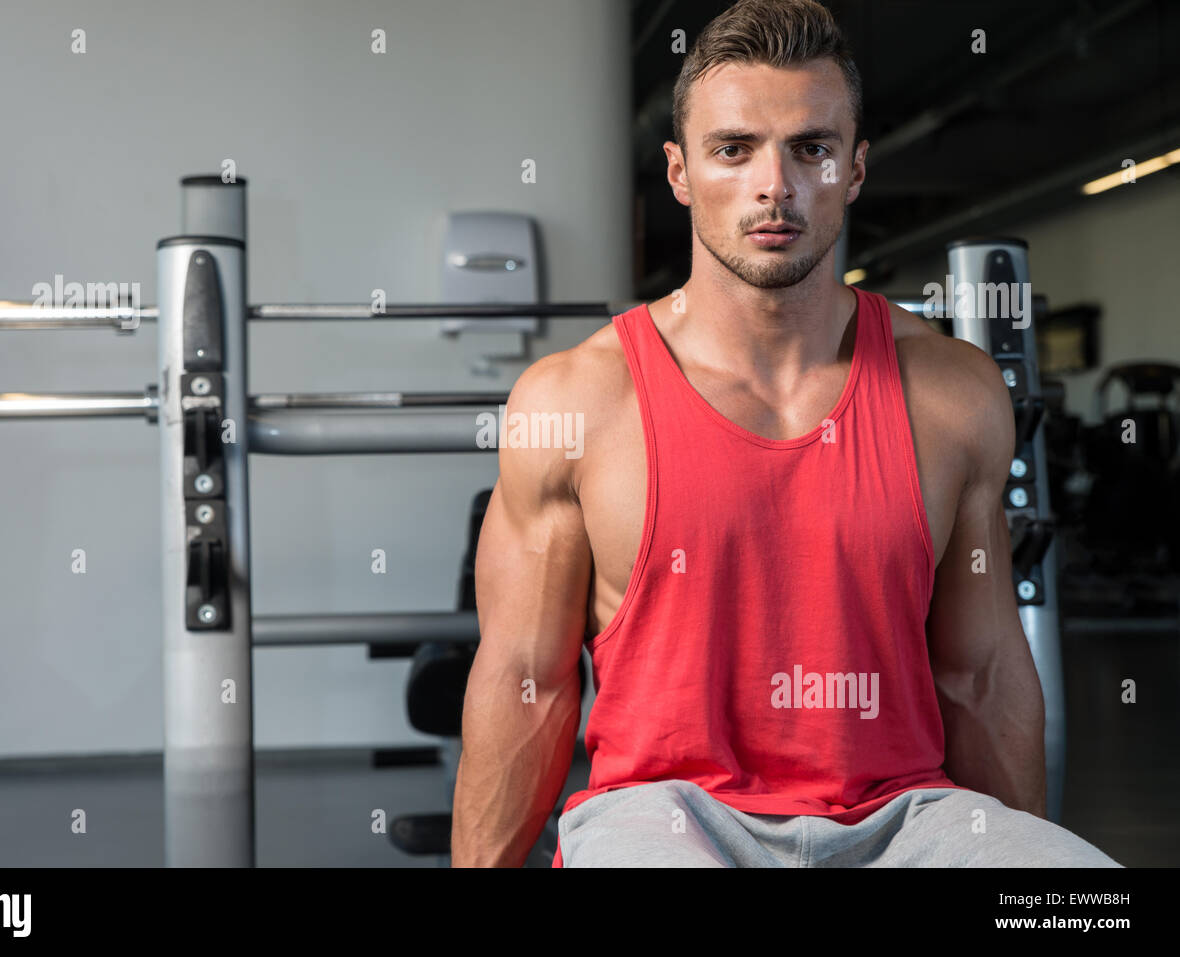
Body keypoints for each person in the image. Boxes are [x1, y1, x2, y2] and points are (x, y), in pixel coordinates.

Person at [449, 0, 1121, 868]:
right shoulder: (576, 398)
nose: (777, 185)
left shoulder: (952, 392)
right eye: (735, 149)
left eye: (812, 147)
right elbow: (524, 684)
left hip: (902, 813)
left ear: (855, 168)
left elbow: (982, 674)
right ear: (680, 171)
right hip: (664, 816)